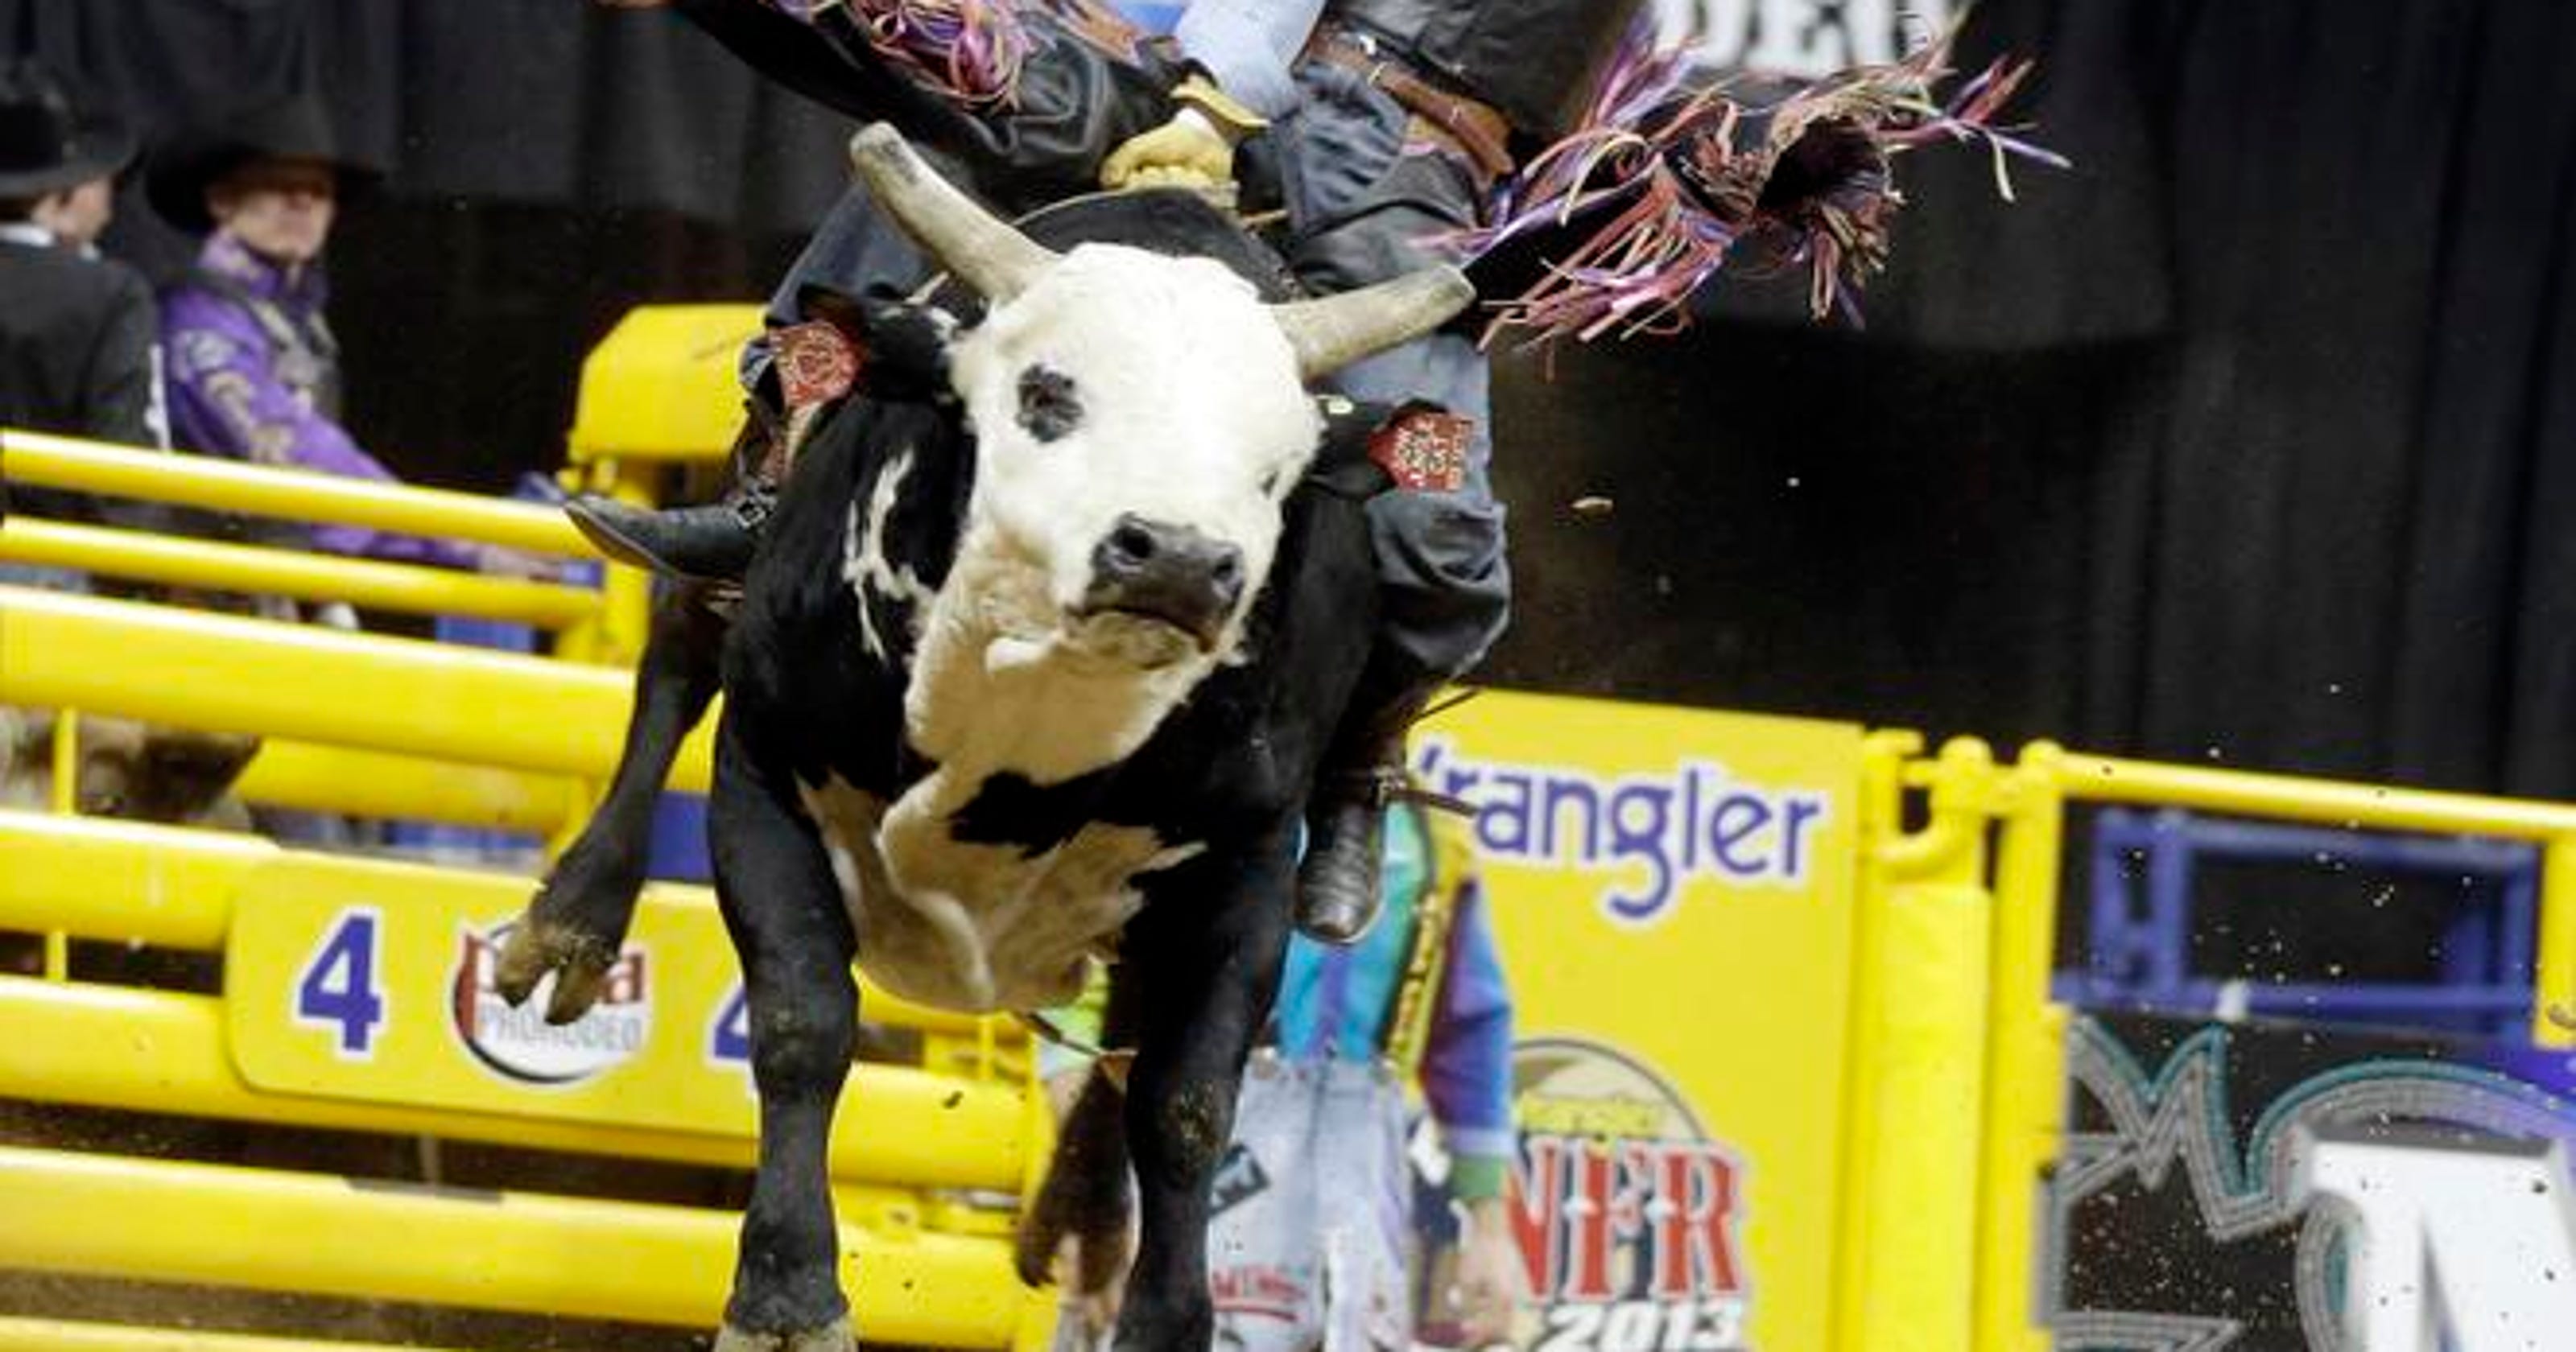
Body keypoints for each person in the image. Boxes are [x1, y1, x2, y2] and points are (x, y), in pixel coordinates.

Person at [568, 0, 1649, 948]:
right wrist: (1213, 100)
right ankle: (770, 487)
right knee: (900, 221)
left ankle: (1361, 759)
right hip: (1283, 111)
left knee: (1438, 510)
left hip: (1415, 170)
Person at [1038, 792, 1521, 1352]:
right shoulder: (1196, 792)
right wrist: (1094, 1192)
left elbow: (1469, 1038)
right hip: (1188, 1146)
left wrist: (1490, 1229)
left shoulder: (1435, 839)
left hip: (1360, 1187)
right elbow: (1074, 1004)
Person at [146, 96, 540, 575]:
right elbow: (296, 451)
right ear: (223, 201)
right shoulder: (199, 314)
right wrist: (462, 542)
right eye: (278, 184)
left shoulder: (300, 316)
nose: (303, 202)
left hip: (281, 573)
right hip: (214, 583)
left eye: (318, 189)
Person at [0, 58, 169, 513]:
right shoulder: (108, 294)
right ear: (60, 188)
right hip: (47, 562)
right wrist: (146, 575)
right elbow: (124, 463)